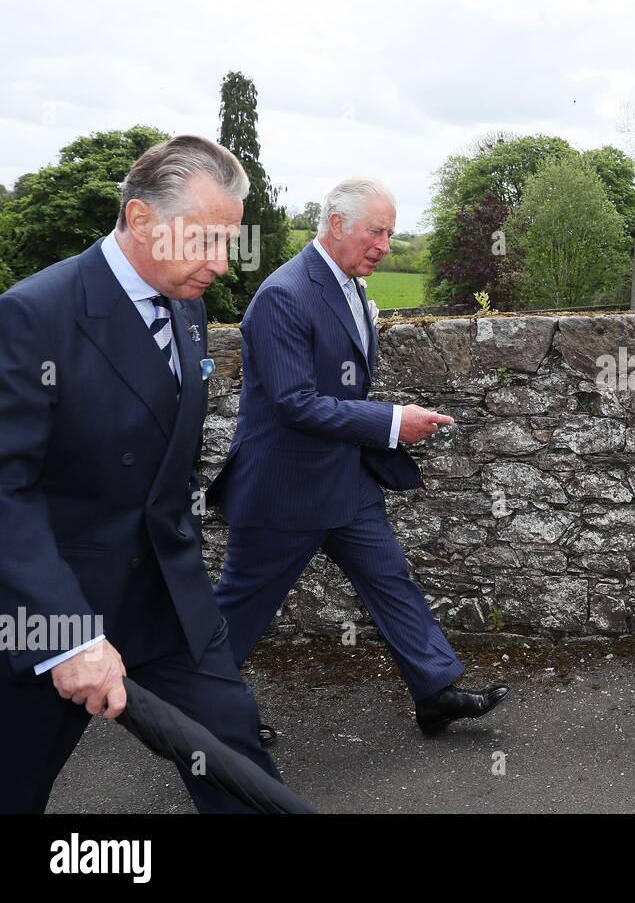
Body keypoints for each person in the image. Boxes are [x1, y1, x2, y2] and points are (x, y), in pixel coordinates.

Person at [0, 135, 281, 812]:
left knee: (237, 766)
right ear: (142, 219)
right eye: (206, 241)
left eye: (229, 243)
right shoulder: (34, 315)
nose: (222, 265)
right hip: (54, 612)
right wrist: (66, 633)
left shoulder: (185, 304)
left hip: (170, 603)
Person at [208, 176, 507, 741]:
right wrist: (392, 423)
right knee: (240, 610)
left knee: (390, 579)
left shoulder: (352, 288)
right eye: (377, 231)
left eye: (391, 234)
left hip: (345, 480)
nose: (386, 245)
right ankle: (202, 714)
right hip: (283, 487)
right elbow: (295, 403)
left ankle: (434, 692)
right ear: (338, 225)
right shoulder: (283, 295)